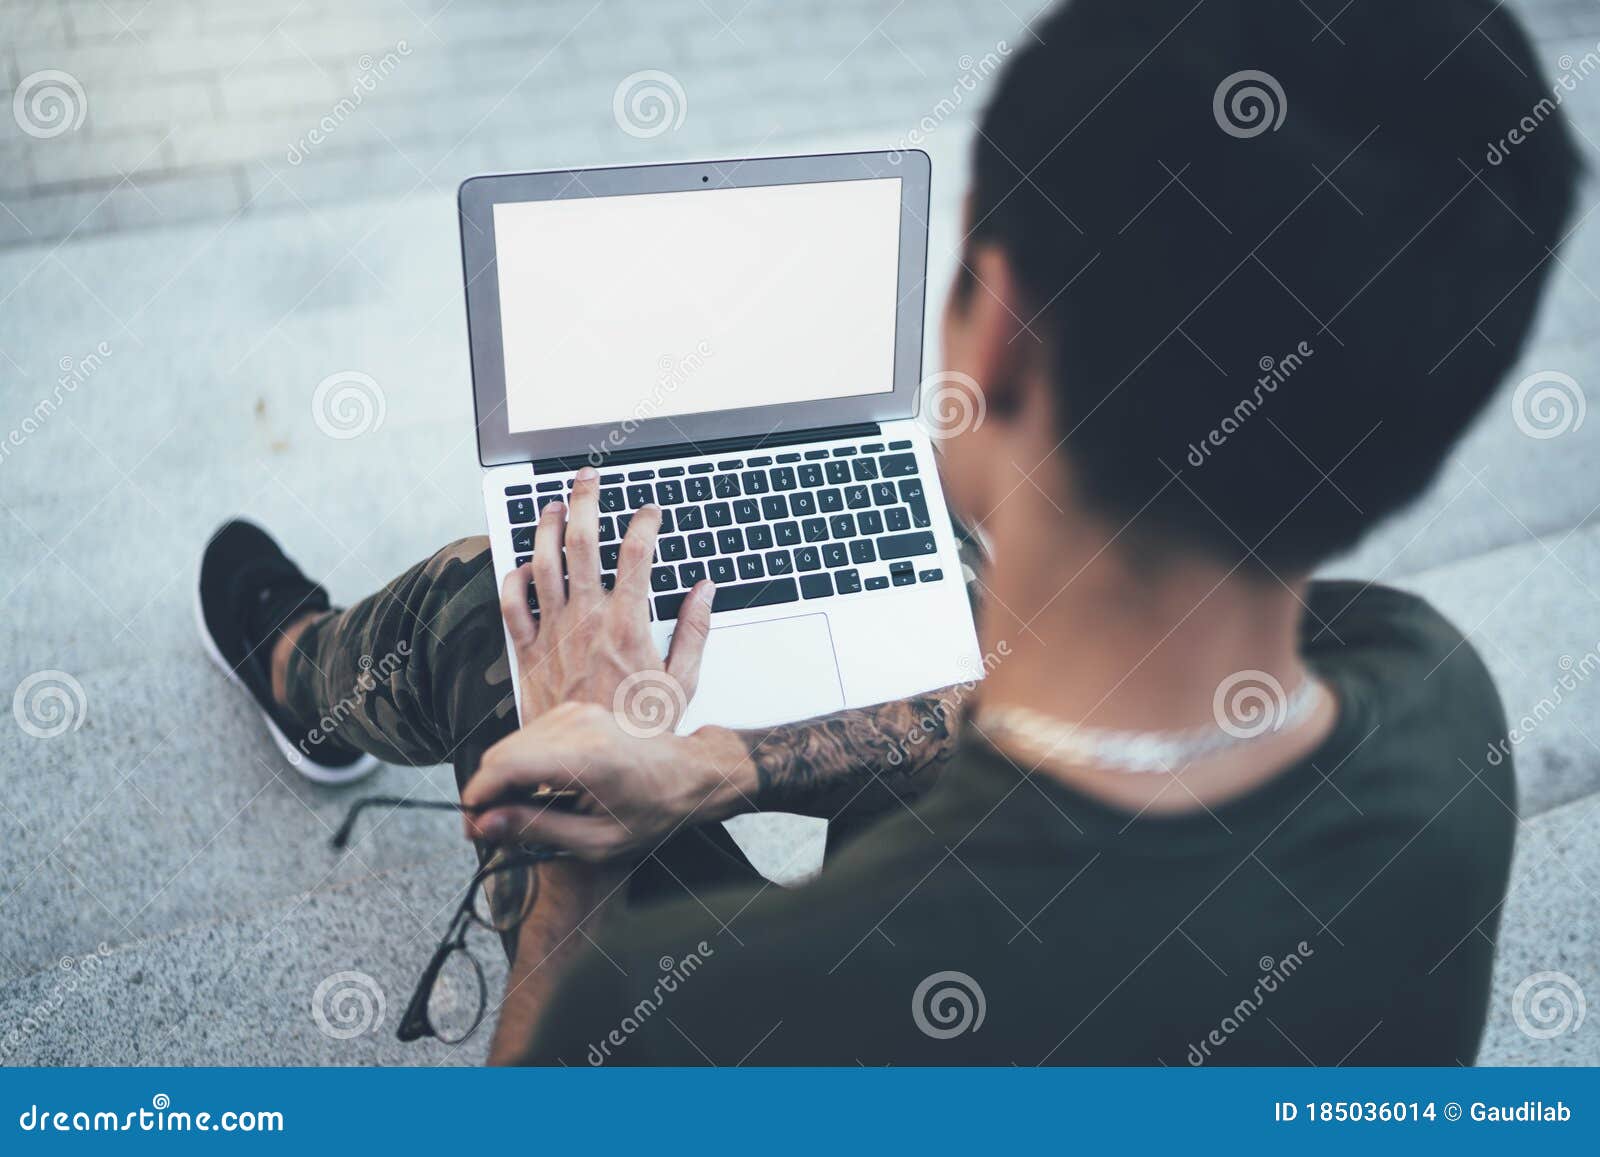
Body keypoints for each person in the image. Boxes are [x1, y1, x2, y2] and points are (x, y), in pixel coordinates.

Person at [201, 0, 1578, 1065]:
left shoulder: (722, 1011)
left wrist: (579, 865)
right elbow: (1063, 724)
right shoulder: (1440, 717)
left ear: (997, 328)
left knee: (494, 620)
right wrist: (717, 765)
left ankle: (304, 670)